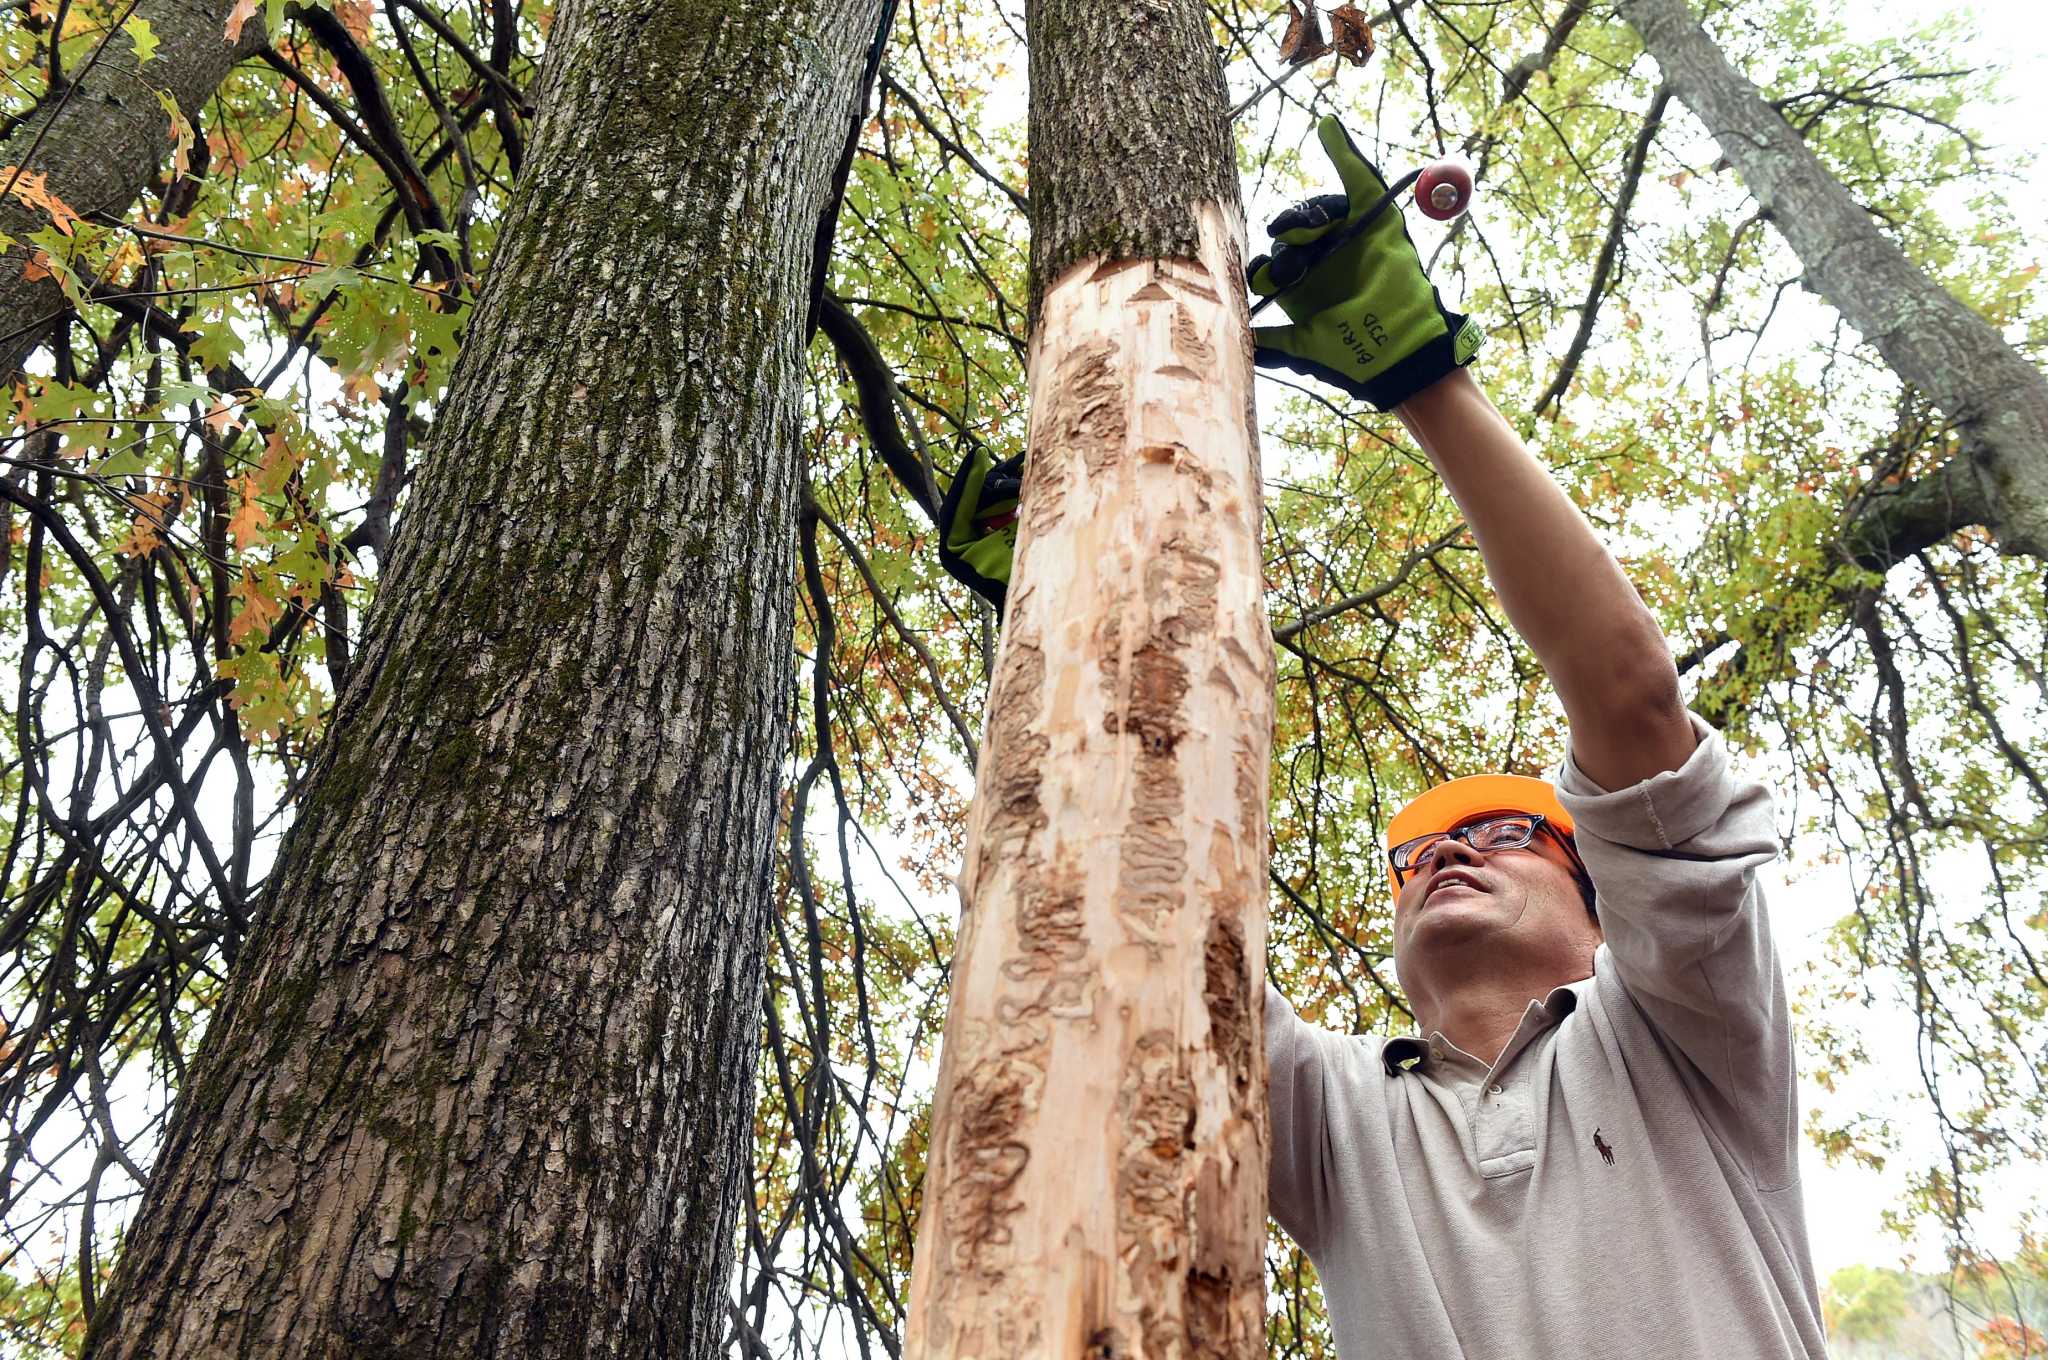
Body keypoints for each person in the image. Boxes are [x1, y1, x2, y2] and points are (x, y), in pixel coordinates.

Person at [940, 115, 1829, 1359]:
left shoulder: (1685, 1032)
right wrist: (1062, 604)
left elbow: (1630, 697)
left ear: (1603, 906)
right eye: (1418, 854)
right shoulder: (1332, 1110)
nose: (1448, 853)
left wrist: (1418, 373)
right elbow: (1109, 922)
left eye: (1506, 832)